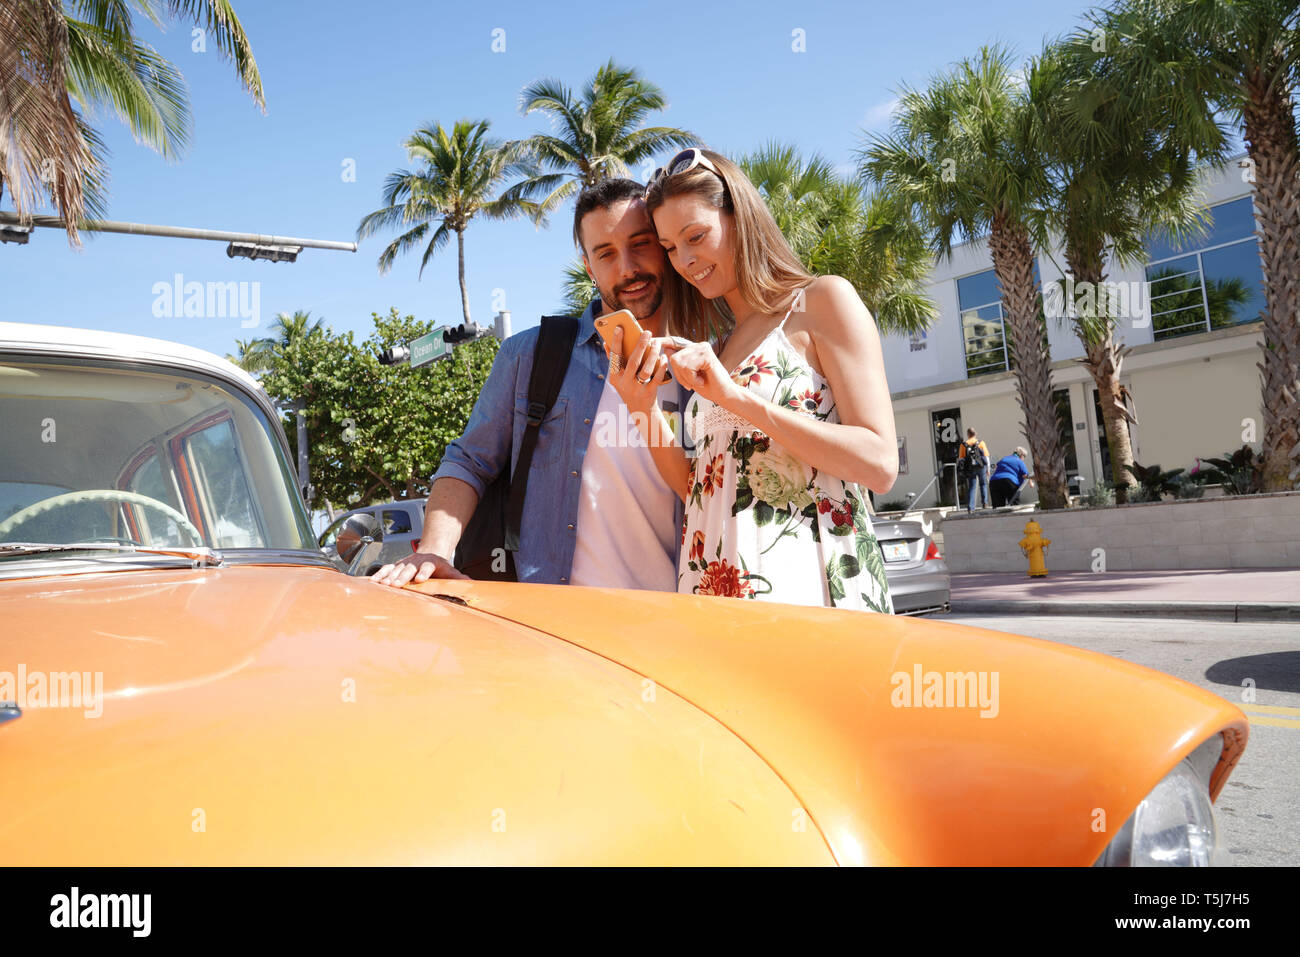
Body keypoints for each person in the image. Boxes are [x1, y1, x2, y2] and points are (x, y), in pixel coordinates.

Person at [608, 147, 897, 613]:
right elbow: (699, 488)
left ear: (740, 217)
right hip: (716, 586)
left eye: (695, 236)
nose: (683, 260)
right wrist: (641, 409)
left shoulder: (822, 301)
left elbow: (880, 464)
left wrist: (736, 397)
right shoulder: (720, 346)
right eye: (669, 248)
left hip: (808, 586)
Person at [371, 178, 689, 589]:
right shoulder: (531, 355)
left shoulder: (707, 364)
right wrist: (433, 550)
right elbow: (470, 461)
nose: (627, 267)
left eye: (641, 243)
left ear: (664, 246)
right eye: (606, 254)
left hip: (676, 619)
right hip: (552, 623)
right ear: (589, 267)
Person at [956, 428, 990, 513]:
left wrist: (962, 470)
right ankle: (985, 503)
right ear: (975, 434)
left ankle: (971, 508)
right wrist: (988, 469)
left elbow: (960, 458)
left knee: (972, 487)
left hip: (970, 468)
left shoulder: (963, 445)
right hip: (981, 466)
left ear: (968, 434)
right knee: (983, 484)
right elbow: (986, 457)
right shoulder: (981, 442)